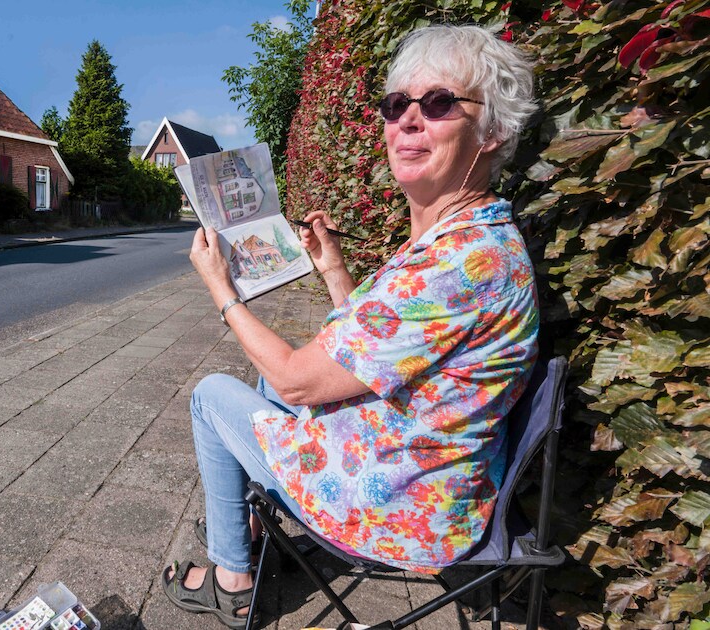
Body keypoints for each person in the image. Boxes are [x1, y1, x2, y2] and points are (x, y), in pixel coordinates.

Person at [162, 24, 540, 628]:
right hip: (419, 470)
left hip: (399, 505)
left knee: (213, 397)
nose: (409, 121)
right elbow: (383, 350)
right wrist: (334, 267)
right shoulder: (463, 241)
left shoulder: (455, 265)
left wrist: (222, 289)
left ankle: (234, 577)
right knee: (260, 385)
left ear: (492, 131)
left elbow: (297, 383)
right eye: (397, 106)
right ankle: (256, 525)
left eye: (439, 103)